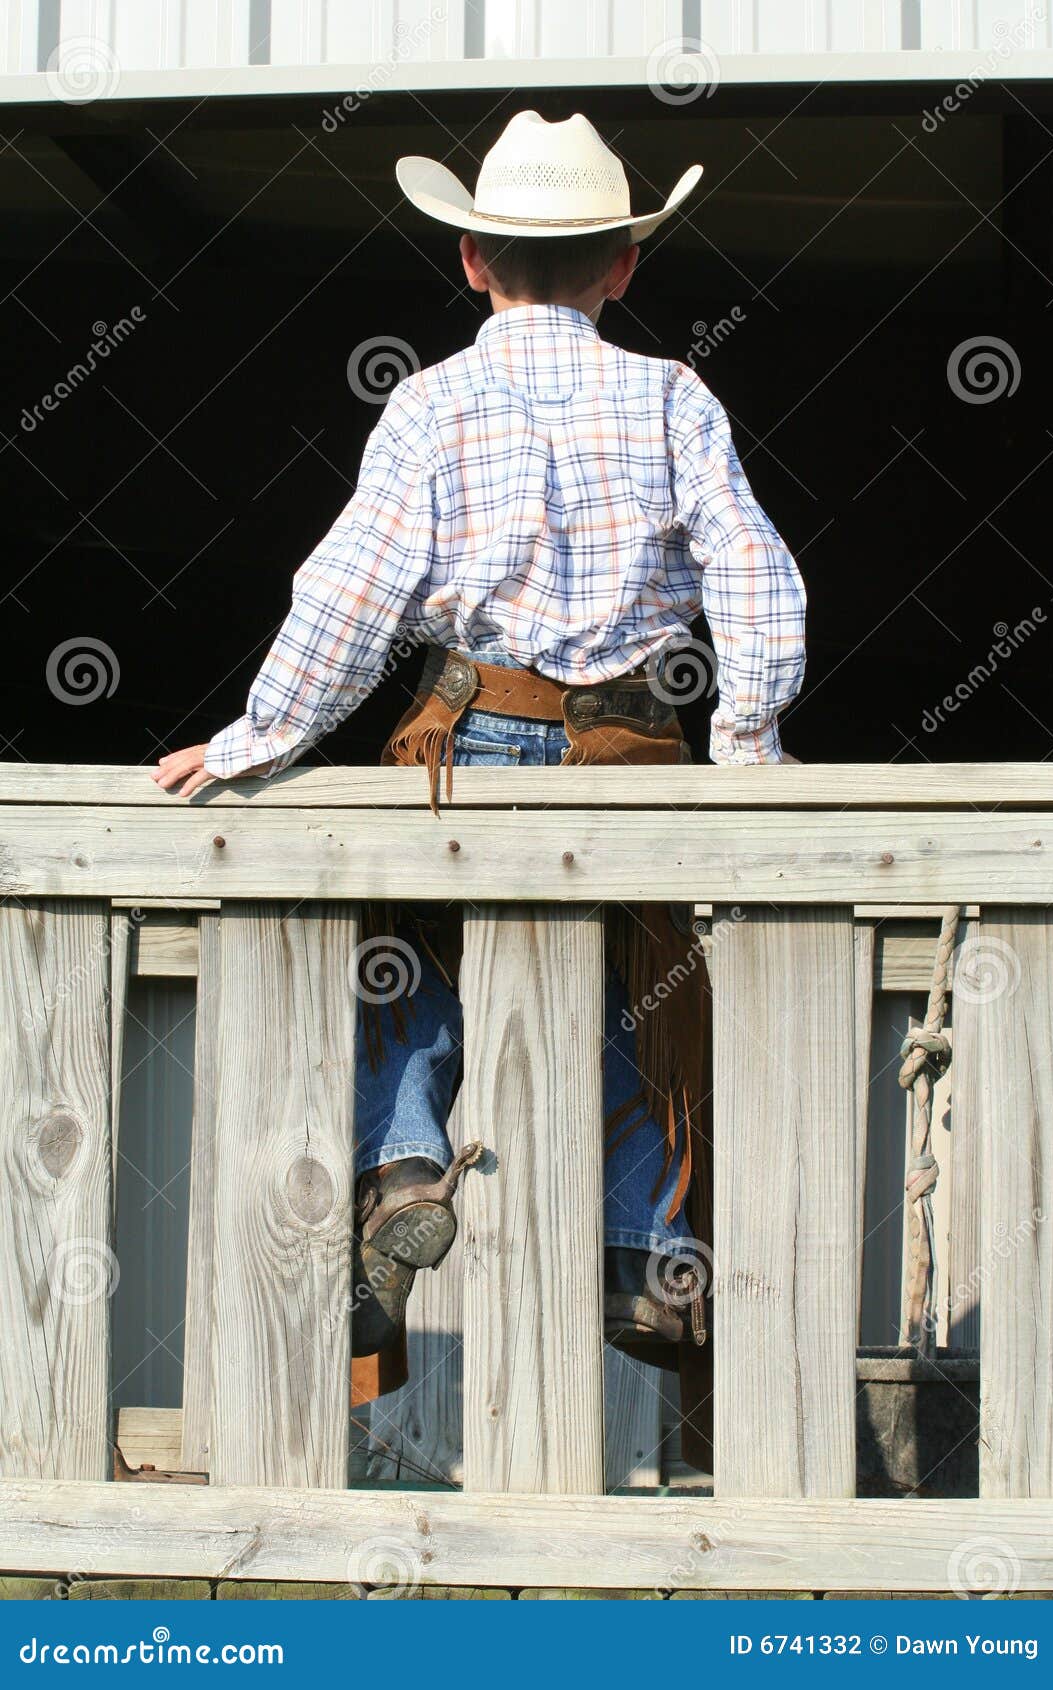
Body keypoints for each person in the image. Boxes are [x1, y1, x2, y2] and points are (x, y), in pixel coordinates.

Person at [152, 110, 807, 1410]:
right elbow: (758, 583)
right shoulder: (676, 395)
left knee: (403, 951)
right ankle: (648, 1251)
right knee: (647, 989)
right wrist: (744, 742)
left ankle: (402, 1165)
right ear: (625, 265)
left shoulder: (431, 402)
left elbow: (356, 592)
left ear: (467, 260)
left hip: (463, 736)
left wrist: (258, 737)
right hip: (626, 748)